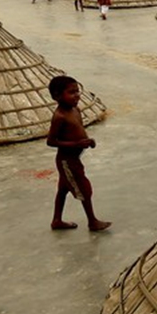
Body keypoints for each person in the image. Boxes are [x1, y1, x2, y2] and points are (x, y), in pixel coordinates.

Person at [46, 75, 111, 232]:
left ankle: (56, 220)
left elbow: (78, 130)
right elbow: (51, 141)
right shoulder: (59, 117)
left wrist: (87, 141)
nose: (77, 95)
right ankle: (92, 222)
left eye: (77, 91)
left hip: (74, 158)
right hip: (67, 161)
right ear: (57, 96)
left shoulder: (76, 110)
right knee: (84, 189)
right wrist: (76, 144)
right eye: (71, 92)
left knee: (63, 189)